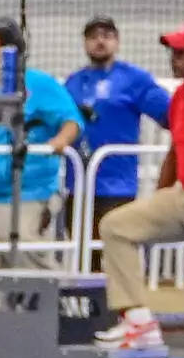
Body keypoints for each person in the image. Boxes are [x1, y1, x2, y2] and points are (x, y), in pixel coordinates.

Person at [91, 22, 184, 351]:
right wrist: (160, 198)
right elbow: (175, 149)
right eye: (173, 52)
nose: (175, 58)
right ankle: (138, 321)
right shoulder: (181, 98)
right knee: (115, 226)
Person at [0, 24, 82, 267]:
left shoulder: (38, 84)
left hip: (27, 194)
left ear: (9, 55)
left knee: (30, 266)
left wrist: (59, 142)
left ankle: (56, 305)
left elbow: (72, 120)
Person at [66, 16, 172, 234]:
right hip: (78, 183)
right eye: (93, 36)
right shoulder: (73, 82)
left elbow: (170, 115)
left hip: (117, 186)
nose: (100, 41)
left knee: (115, 245)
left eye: (107, 36)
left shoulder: (134, 79)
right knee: (81, 249)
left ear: (117, 41)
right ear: (85, 42)